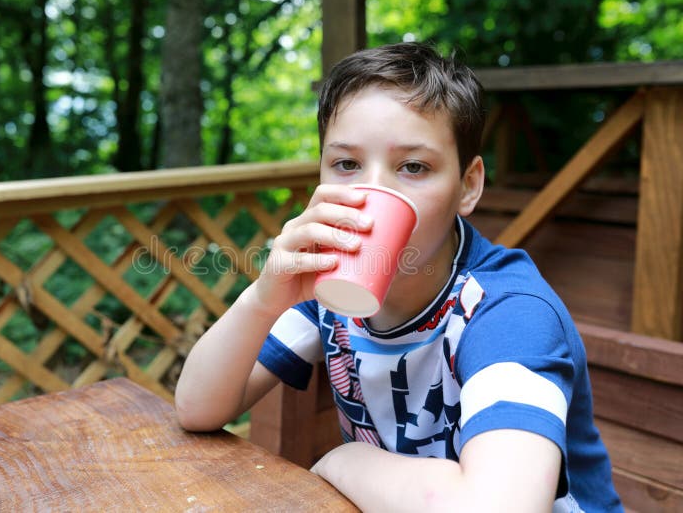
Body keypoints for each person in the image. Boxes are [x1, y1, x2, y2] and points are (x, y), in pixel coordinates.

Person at [175, 42, 623, 512]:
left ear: (468, 185)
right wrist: (262, 299)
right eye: (347, 164)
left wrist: (345, 460)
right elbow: (197, 408)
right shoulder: (328, 288)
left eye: (413, 167)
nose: (371, 191)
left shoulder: (507, 312)